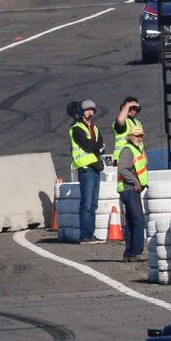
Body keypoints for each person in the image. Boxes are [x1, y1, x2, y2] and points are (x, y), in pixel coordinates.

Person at [68, 99, 105, 243]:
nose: (91, 112)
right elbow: (89, 146)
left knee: (93, 203)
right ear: (82, 111)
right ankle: (85, 234)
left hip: (95, 167)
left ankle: (90, 233)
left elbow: (101, 144)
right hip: (85, 168)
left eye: (92, 110)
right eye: (88, 109)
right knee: (87, 203)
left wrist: (96, 146)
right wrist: (97, 146)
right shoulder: (76, 128)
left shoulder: (95, 128)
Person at [113, 125, 147, 263]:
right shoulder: (128, 150)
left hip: (130, 189)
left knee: (132, 221)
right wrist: (135, 182)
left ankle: (129, 253)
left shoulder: (136, 149)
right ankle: (137, 252)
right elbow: (122, 169)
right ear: (130, 137)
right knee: (138, 221)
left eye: (141, 136)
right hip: (130, 189)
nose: (139, 138)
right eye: (137, 136)